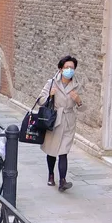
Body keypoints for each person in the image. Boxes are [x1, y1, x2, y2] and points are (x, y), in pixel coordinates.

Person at [37, 55, 83, 191]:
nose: (70, 70)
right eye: (67, 67)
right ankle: (51, 175)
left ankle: (63, 181)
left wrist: (78, 100)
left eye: (72, 68)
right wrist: (50, 95)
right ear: (60, 69)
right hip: (53, 120)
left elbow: (83, 106)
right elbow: (40, 100)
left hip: (68, 121)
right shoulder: (51, 82)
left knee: (63, 152)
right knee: (52, 151)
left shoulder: (77, 85)